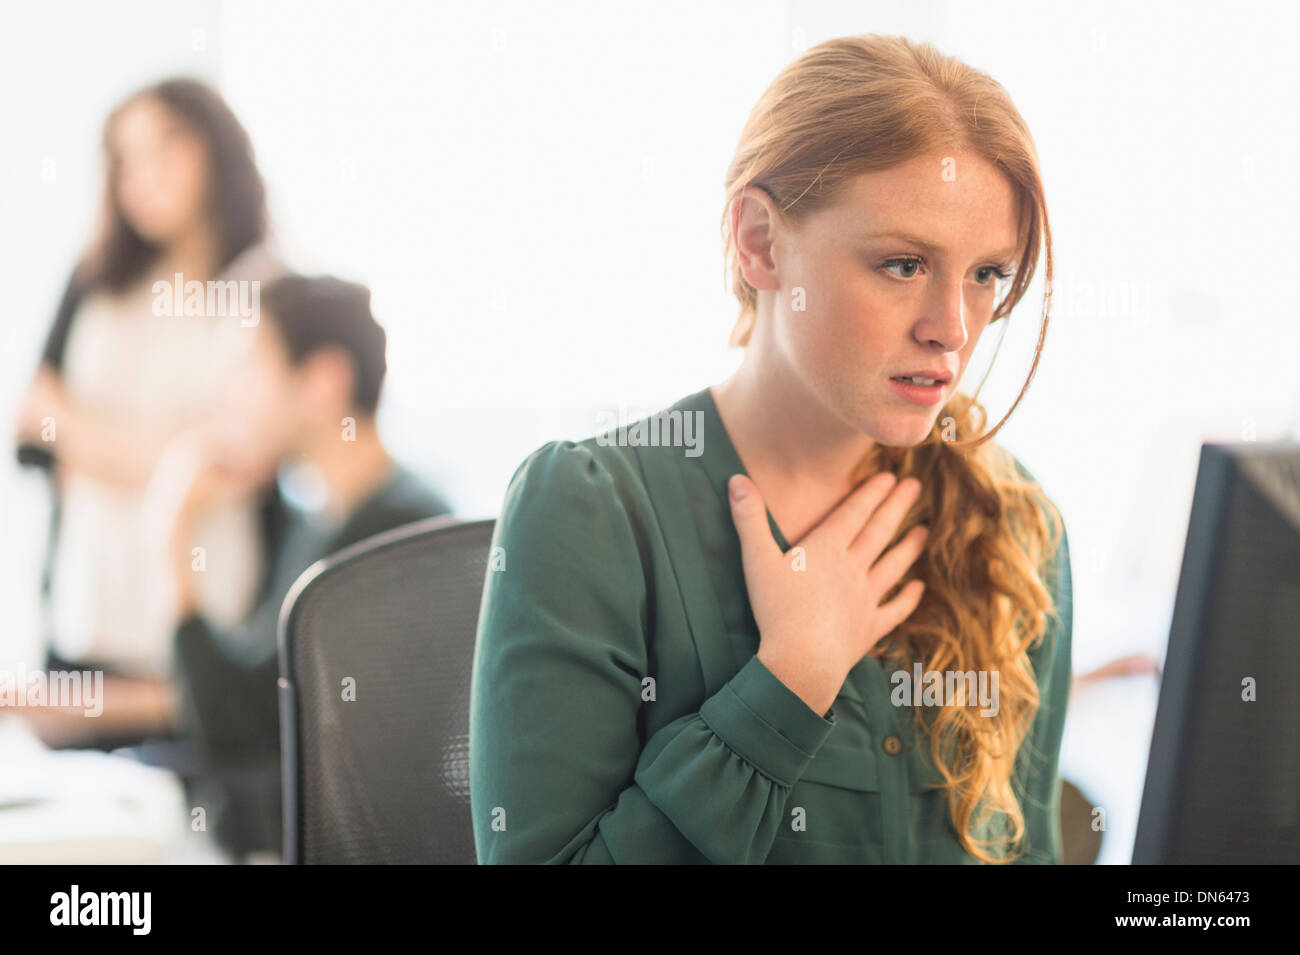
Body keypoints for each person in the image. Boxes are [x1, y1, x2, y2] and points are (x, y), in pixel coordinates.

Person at [470, 34, 1073, 864]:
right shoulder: (587, 511)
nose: (953, 329)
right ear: (760, 242)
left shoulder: (1014, 523)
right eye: (903, 264)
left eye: (988, 275)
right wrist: (790, 679)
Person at [12, 77, 285, 749]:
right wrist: (176, 455)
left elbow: (247, 455)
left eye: (165, 146)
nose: (144, 175)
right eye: (125, 158)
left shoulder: (269, 288)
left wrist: (87, 441)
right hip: (88, 617)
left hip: (206, 616)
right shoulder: (95, 278)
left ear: (216, 148)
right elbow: (32, 432)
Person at [162, 274, 452, 859]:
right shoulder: (325, 517)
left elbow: (236, 726)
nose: (232, 395)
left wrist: (172, 535)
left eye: (251, 369)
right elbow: (247, 684)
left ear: (323, 381)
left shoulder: (392, 536)